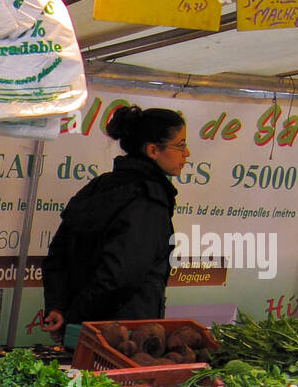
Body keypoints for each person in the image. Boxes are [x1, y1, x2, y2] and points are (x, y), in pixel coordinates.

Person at [42, 106, 190, 336]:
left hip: (83, 331)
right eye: (180, 145)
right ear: (152, 150)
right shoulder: (147, 200)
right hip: (123, 338)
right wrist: (71, 316)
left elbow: (58, 256)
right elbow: (121, 277)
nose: (187, 153)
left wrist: (60, 308)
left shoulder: (98, 187)